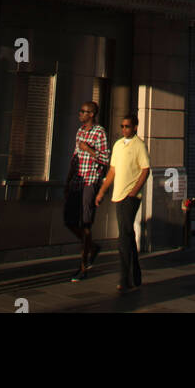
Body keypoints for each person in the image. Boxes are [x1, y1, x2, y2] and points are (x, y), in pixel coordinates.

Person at [95, 112, 150, 293]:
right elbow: (112, 170)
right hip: (118, 195)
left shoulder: (139, 145)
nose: (124, 129)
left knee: (123, 237)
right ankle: (136, 275)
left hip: (130, 197)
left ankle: (124, 278)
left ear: (135, 127)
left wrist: (134, 192)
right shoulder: (118, 145)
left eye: (127, 126)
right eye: (122, 126)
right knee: (127, 234)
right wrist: (102, 191)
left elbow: (145, 170)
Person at [64, 99, 109, 282]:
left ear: (92, 114)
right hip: (77, 182)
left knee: (85, 223)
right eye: (80, 111)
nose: (80, 114)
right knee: (69, 220)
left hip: (90, 182)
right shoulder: (80, 132)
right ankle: (91, 247)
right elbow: (75, 156)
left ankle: (83, 267)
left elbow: (105, 158)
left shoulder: (99, 133)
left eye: (83, 111)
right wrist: (68, 180)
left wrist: (89, 149)